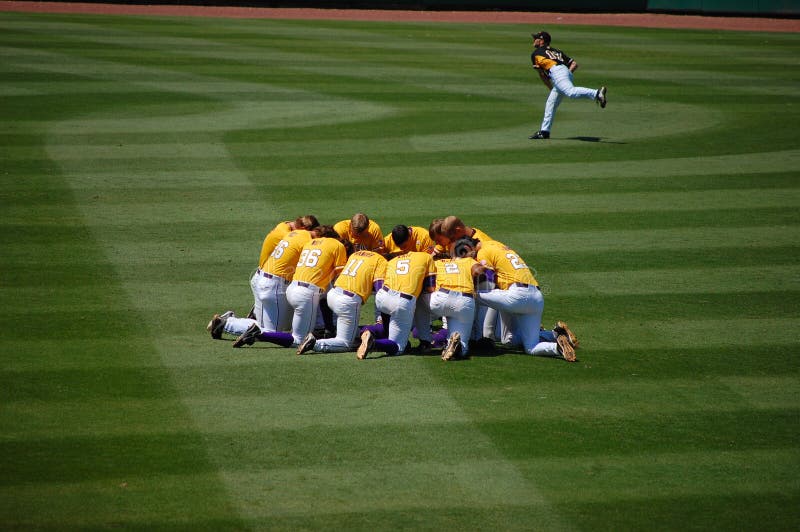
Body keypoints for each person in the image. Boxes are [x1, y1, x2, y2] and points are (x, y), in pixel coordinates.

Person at [455, 237, 578, 362]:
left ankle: (471, 339)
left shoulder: (482, 252)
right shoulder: (494, 245)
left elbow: (488, 278)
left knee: (469, 295)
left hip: (516, 296)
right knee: (525, 344)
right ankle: (557, 342)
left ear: (468, 248)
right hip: (536, 297)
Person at [233, 226, 347, 348]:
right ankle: (259, 334)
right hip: (299, 292)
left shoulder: (307, 241)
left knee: (280, 329)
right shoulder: (336, 245)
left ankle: (228, 323)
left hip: (289, 288)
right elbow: (339, 275)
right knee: (298, 339)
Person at [206, 215, 318, 338]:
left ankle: (230, 320)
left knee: (268, 325)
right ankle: (225, 324)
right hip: (272, 283)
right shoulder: (294, 236)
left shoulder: (284, 227)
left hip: (262, 278)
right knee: (272, 333)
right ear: (305, 228)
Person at [296, 249, 388, 355]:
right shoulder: (382, 261)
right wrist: (381, 317)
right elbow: (380, 291)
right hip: (348, 301)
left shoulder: (356, 254)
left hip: (333, 293)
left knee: (347, 331)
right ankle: (315, 343)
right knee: (345, 342)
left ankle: (356, 334)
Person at [357, 250, 436, 359]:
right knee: (398, 347)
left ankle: (367, 331)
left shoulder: (392, 261)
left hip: (382, 297)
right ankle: (373, 343)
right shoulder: (426, 257)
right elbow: (430, 287)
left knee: (389, 329)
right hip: (402, 301)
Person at [528, 30, 607, 140]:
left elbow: (542, 74)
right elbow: (574, 64)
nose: (533, 40)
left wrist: (551, 86)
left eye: (536, 38)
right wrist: (566, 75)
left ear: (541, 41)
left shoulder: (536, 54)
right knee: (551, 103)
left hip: (557, 73)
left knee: (571, 92)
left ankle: (597, 94)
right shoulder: (557, 51)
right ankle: (544, 131)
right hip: (564, 72)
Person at [429, 245, 487, 361]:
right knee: (464, 346)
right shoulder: (469, 261)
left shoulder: (438, 262)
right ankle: (459, 347)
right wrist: (483, 266)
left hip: (440, 299)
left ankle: (425, 337)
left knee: (419, 300)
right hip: (464, 302)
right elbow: (479, 272)